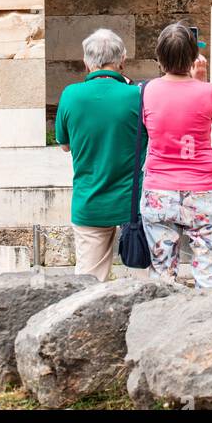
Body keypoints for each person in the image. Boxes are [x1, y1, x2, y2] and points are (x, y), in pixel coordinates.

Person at [140, 23, 212, 288]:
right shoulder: (208, 91)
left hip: (159, 190)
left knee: (162, 274)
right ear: (194, 57)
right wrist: (201, 84)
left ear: (159, 58)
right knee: (210, 270)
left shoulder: (146, 91)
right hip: (203, 189)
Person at [55, 29, 145, 282]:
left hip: (89, 200)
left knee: (89, 283)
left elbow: (64, 145)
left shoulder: (70, 95)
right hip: (132, 203)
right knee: (146, 284)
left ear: (86, 62)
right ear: (122, 60)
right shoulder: (137, 95)